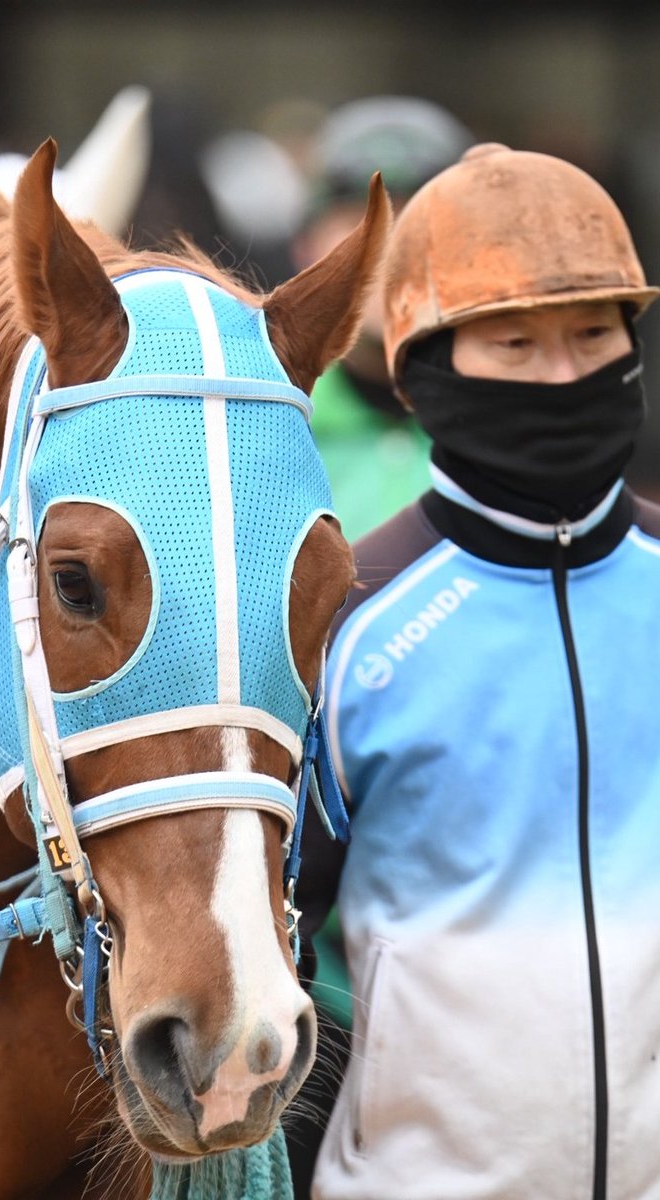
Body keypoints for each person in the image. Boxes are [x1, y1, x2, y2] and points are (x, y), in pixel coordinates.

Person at [310, 142, 660, 1200]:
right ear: (421, 376)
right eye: (513, 343)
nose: (563, 376)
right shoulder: (343, 625)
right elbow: (264, 955)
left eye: (592, 333)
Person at [291, 96, 474, 544]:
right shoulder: (263, 427)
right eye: (361, 221)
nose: (391, 250)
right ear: (306, 249)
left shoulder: (520, 421)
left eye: (422, 223)